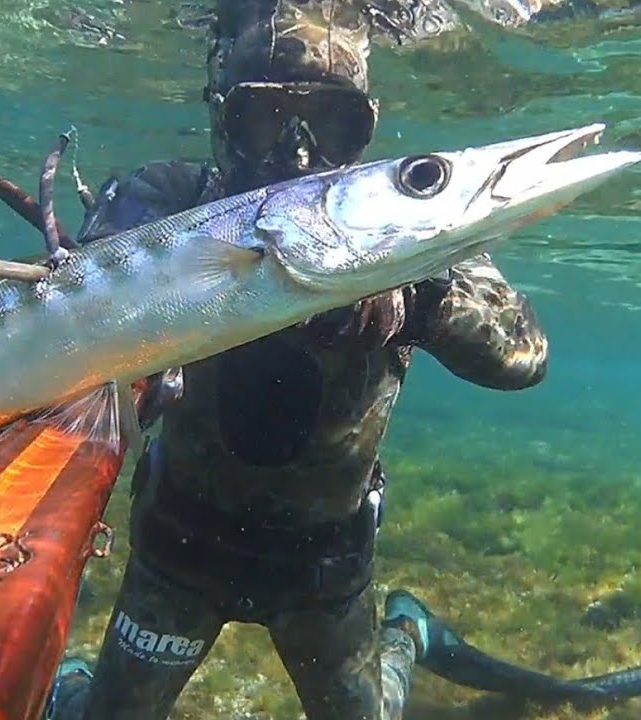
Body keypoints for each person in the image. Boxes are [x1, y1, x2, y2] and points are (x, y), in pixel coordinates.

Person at [43, 1, 558, 718]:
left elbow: (524, 353)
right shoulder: (170, 198)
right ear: (223, 118)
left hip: (326, 566)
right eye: (265, 121)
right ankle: (72, 685)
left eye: (332, 123)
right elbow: (76, 299)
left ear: (368, 125)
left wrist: (418, 304)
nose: (298, 152)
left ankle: (404, 637)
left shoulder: (413, 222)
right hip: (177, 547)